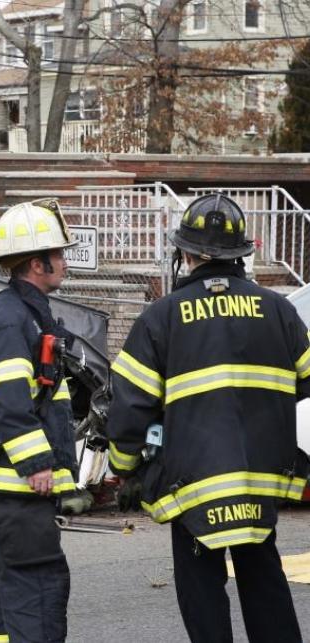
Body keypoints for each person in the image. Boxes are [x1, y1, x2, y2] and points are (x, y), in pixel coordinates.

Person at [106, 193, 308, 643]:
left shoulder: (161, 317)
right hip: (260, 481)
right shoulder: (279, 311)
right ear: (241, 254)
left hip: (192, 483)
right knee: (264, 580)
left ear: (186, 253)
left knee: (202, 592)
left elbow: (130, 407)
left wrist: (124, 467)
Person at [0, 199, 81, 643]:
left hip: (13, 489)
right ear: (37, 263)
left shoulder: (24, 315)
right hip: (17, 487)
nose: (64, 262)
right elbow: (9, 401)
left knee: (16, 586)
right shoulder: (12, 322)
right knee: (37, 587)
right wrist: (37, 464)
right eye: (58, 254)